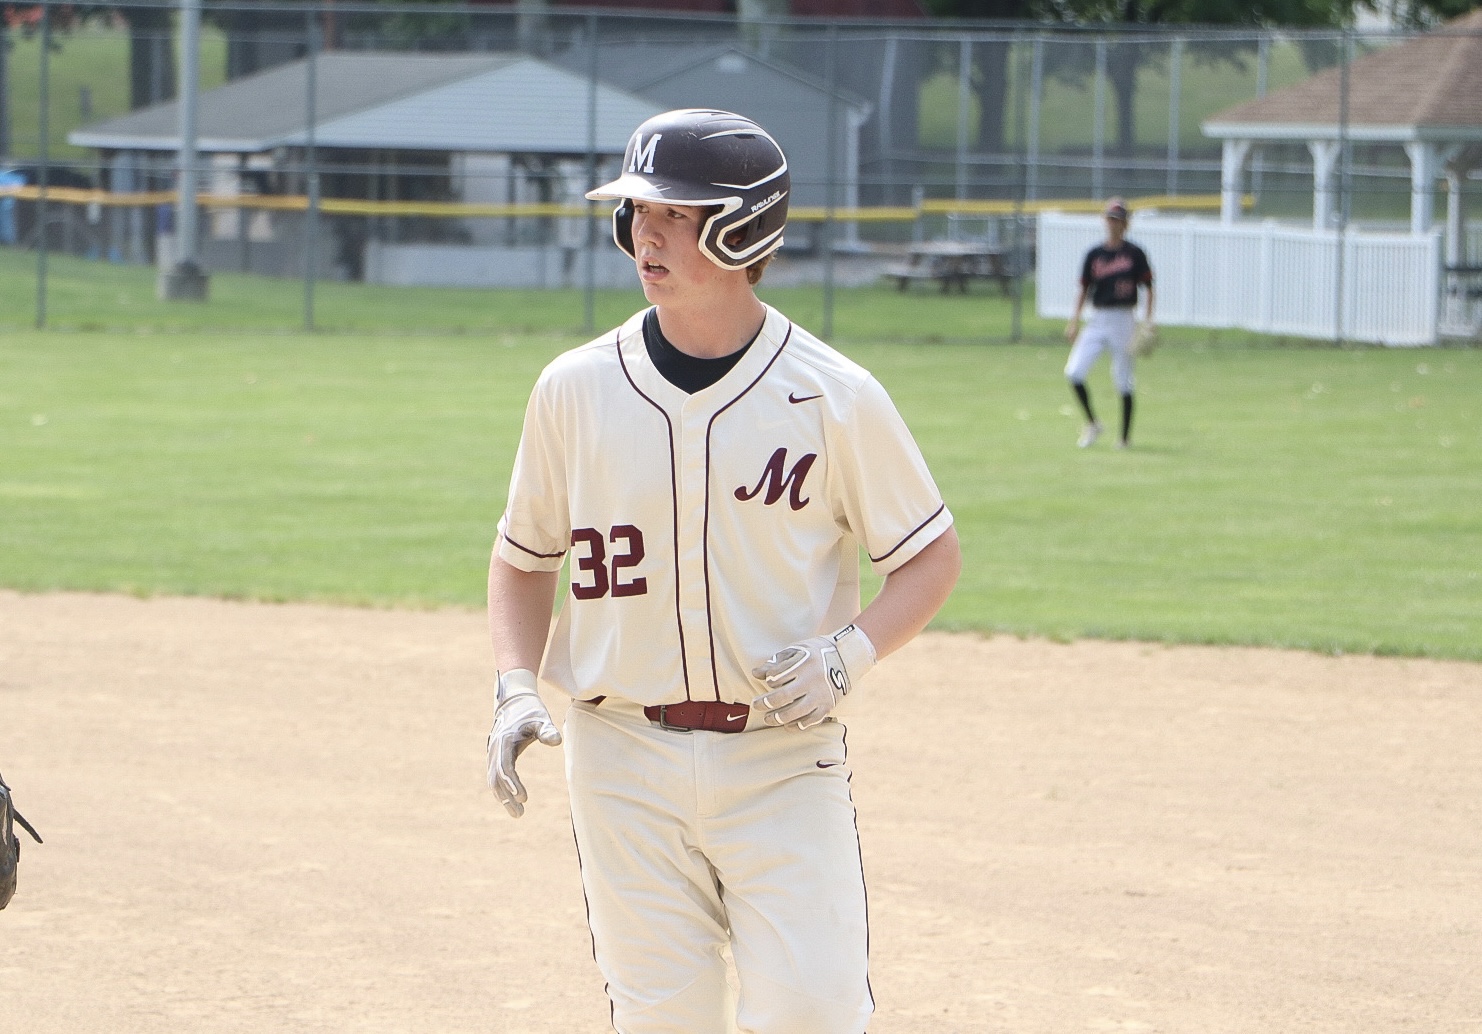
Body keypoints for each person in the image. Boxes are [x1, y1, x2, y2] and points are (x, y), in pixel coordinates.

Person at [484, 108, 962, 1034]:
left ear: (744, 228)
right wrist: (512, 685)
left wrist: (850, 655)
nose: (645, 233)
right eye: (636, 212)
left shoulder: (832, 395)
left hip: (782, 755)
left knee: (815, 1015)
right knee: (662, 1021)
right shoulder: (573, 388)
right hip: (620, 756)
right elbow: (521, 559)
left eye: (674, 212)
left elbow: (930, 554)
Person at [1063, 197, 1155, 449]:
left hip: (1124, 317)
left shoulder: (1135, 254)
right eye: (1111, 218)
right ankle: (1093, 424)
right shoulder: (1095, 255)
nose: (1114, 223)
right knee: (1074, 372)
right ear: (1105, 221)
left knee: (1123, 379)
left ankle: (1124, 439)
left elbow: (1148, 287)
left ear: (1126, 224)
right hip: (1098, 317)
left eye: (1119, 219)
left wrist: (1148, 321)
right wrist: (1074, 321)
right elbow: (1083, 290)